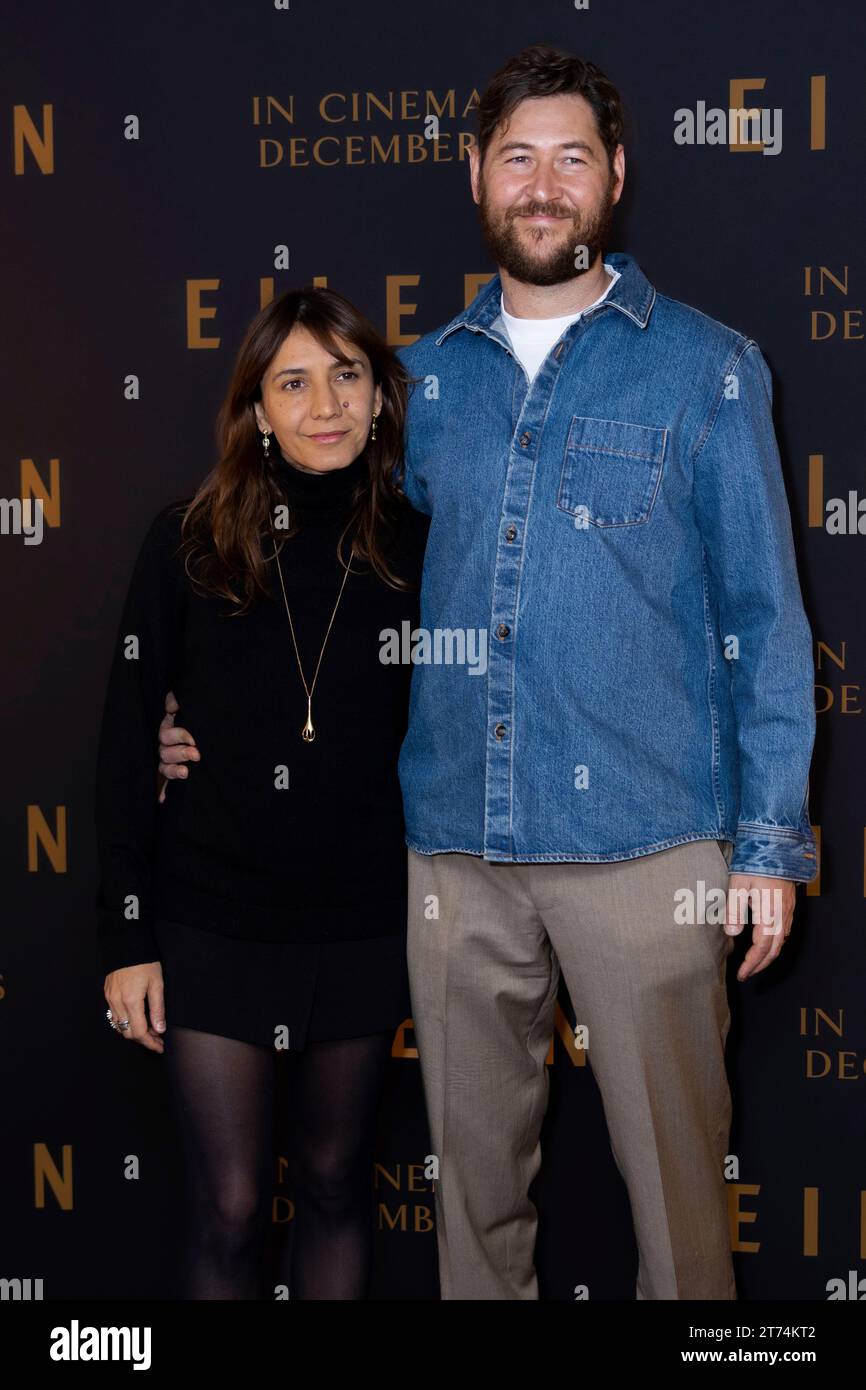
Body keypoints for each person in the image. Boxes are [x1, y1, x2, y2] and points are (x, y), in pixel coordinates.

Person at [158, 44, 819, 1301]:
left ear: (614, 177)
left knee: (681, 1216)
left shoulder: (707, 368)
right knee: (471, 1211)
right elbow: (320, 593)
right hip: (451, 854)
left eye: (571, 156)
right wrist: (189, 716)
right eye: (516, 156)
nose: (542, 183)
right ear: (474, 176)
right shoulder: (413, 386)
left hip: (649, 851)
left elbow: (763, 617)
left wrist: (768, 844)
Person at [94, 286, 429, 1300]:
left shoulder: (422, 548)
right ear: (256, 410)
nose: (323, 401)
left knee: (334, 1184)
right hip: (213, 919)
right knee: (231, 1202)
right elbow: (122, 744)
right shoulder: (188, 541)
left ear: (378, 398)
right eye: (293, 381)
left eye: (346, 374)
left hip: (363, 919)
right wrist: (127, 941)